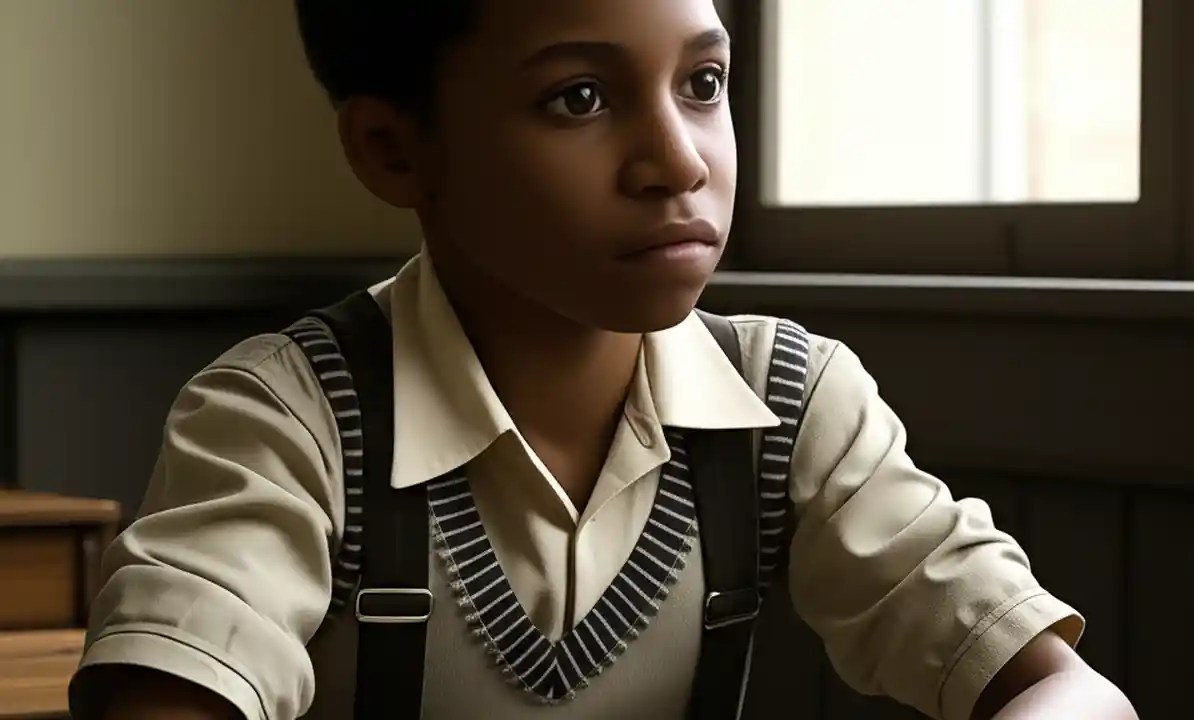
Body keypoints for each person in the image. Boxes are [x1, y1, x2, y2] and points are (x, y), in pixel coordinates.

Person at [68, 1, 1138, 719]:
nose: (677, 160)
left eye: (703, 82)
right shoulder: (285, 421)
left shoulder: (789, 402)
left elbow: (1066, 690)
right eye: (578, 97)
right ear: (393, 150)